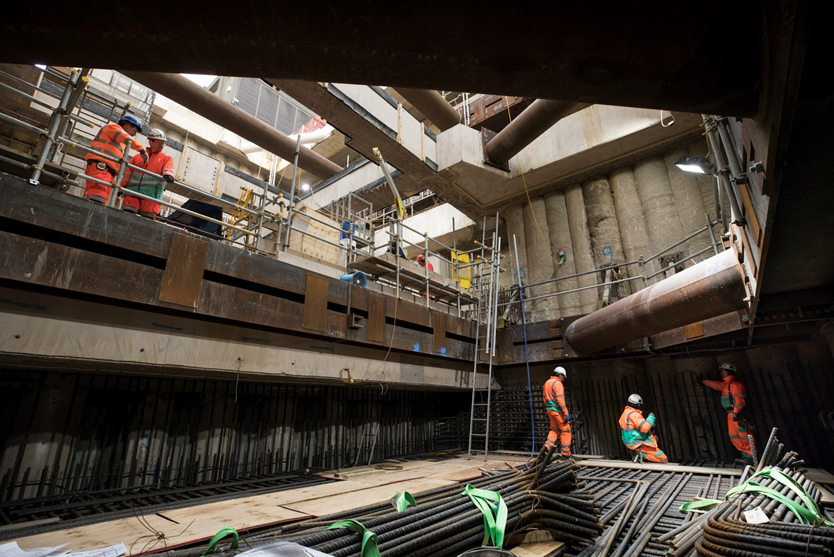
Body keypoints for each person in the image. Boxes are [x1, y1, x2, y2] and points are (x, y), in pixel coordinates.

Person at [84, 115, 146, 204]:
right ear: (127, 126)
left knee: (98, 201)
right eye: (134, 130)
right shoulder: (113, 127)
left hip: (108, 172)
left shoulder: (121, 142)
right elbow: (128, 138)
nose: (135, 134)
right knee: (96, 199)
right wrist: (141, 149)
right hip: (100, 168)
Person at [700, 363, 754, 463]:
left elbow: (739, 400)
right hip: (730, 414)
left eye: (723, 371)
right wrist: (703, 381)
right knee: (733, 436)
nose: (721, 373)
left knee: (744, 435)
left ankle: (751, 455)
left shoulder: (735, 385)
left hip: (737, 414)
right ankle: (745, 455)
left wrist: (736, 412)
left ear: (729, 372)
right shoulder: (726, 384)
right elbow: (715, 385)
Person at [120, 129, 175, 217]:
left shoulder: (166, 158)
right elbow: (127, 175)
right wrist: (120, 188)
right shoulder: (137, 157)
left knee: (147, 220)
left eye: (163, 143)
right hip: (132, 194)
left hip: (151, 196)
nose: (162, 145)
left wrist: (169, 175)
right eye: (159, 143)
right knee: (126, 215)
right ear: (151, 141)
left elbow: (169, 168)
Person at [619, 394, 668, 463]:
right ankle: (639, 454)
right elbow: (645, 427)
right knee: (663, 459)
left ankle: (636, 452)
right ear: (637, 404)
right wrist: (651, 418)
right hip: (637, 442)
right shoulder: (634, 414)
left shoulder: (626, 413)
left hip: (630, 440)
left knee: (655, 438)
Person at [542, 366, 571, 458]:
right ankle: (566, 454)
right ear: (560, 375)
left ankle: (545, 448)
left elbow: (544, 398)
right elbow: (560, 400)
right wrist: (566, 413)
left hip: (550, 411)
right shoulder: (557, 383)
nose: (563, 379)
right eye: (563, 376)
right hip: (558, 412)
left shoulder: (547, 383)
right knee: (566, 430)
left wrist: (549, 408)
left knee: (554, 430)